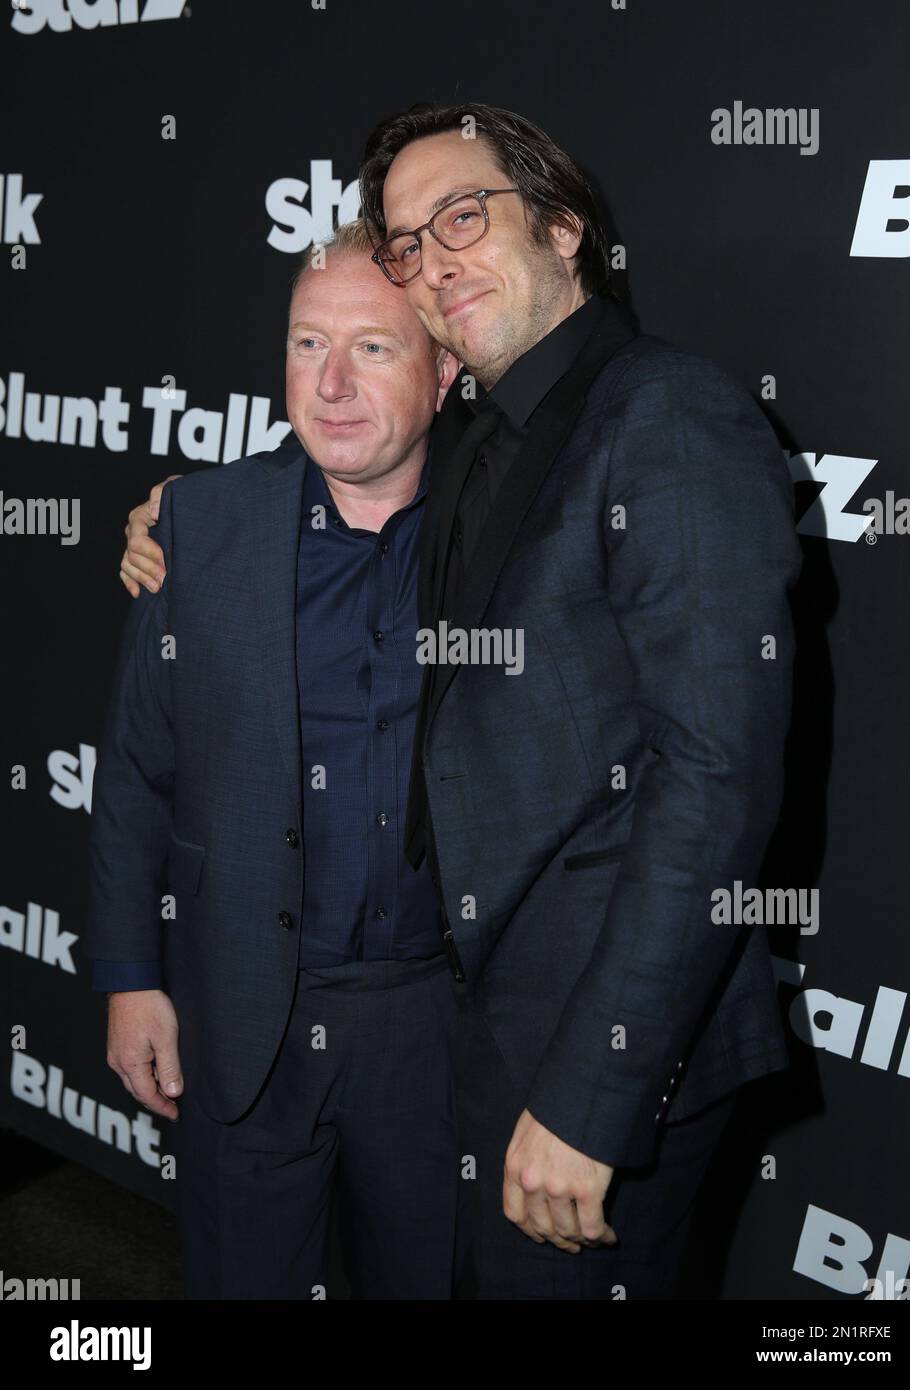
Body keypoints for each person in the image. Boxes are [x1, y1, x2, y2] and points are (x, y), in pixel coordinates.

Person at [121, 102, 802, 1299]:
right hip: (476, 1048)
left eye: (463, 217)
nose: (432, 258)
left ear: (563, 228)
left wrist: (592, 1091)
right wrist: (182, 516)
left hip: (591, 1065)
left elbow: (716, 781)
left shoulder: (666, 416)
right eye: (406, 243)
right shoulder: (502, 439)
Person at [86, 219, 464, 1299]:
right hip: (245, 1004)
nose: (330, 384)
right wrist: (129, 979)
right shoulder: (198, 526)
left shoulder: (506, 530)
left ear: (442, 373)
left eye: (373, 349)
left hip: (432, 1027)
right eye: (306, 344)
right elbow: (135, 776)